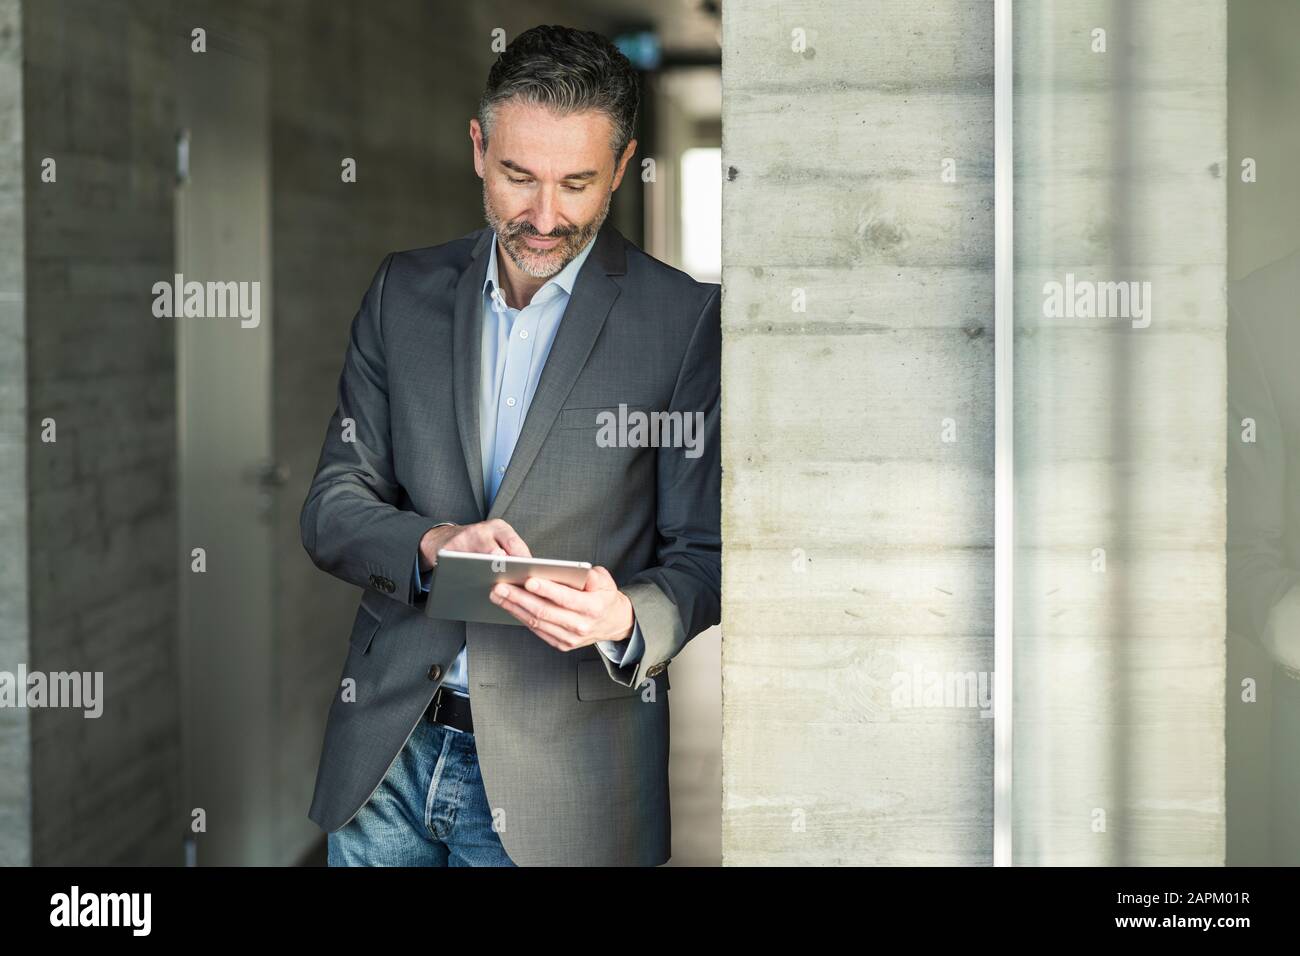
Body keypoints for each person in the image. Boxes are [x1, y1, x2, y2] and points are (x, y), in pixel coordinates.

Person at [300, 24, 721, 866]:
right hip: (386, 759)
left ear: (624, 162)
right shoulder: (402, 293)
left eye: (576, 183)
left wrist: (626, 617)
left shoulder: (682, 324)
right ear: (478, 148)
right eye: (517, 176)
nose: (543, 215)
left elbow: (702, 556)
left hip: (570, 780)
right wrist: (431, 541)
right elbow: (332, 507)